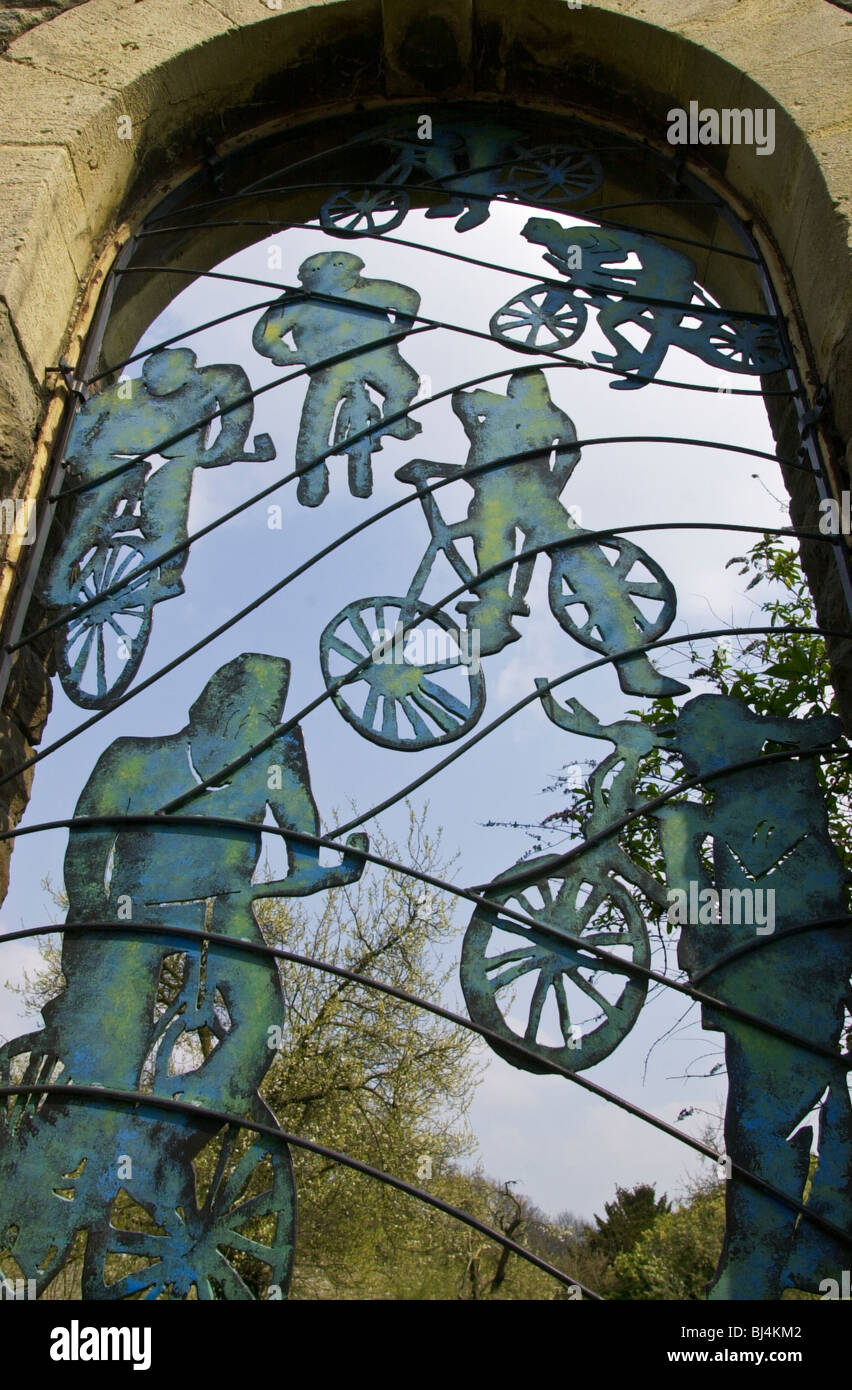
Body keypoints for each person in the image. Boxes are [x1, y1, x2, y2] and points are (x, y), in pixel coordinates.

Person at [37, 653, 368, 1116]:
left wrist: (328, 873)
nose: (255, 733)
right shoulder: (131, 758)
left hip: (225, 916)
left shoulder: (276, 752)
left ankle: (175, 1126)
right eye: (245, 717)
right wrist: (95, 940)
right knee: (116, 1043)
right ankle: (88, 1118)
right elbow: (85, 864)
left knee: (261, 1025)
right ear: (212, 707)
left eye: (267, 722)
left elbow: (304, 857)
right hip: (135, 916)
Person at [652, 693, 852, 1299]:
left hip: (787, 985)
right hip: (775, 986)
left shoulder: (774, 791)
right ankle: (791, 1262)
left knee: (761, 1128)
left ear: (721, 743)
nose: (685, 760)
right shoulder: (776, 787)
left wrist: (680, 841)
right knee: (760, 1128)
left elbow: (706, 911)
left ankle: (764, 1275)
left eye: (691, 745)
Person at [43, 347, 273, 608]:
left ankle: (168, 574)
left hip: (178, 457)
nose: (155, 390)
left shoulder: (215, 379)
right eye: (152, 385)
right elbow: (92, 412)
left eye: (166, 386)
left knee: (168, 513)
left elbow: (236, 405)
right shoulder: (130, 390)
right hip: (109, 455)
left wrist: (225, 448)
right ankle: (58, 578)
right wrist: (74, 454)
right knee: (95, 508)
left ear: (187, 374)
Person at [252, 251, 422, 506]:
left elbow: (408, 298)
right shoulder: (296, 301)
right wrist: (288, 354)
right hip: (330, 365)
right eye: (346, 274)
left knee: (405, 384)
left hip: (375, 354)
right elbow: (264, 336)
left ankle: (395, 418)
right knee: (316, 421)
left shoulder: (370, 288)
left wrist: (399, 328)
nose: (351, 279)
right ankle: (312, 473)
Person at [523, 217, 698, 388]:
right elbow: (582, 269)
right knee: (655, 324)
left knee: (628, 320)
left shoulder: (569, 239)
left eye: (534, 230)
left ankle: (635, 361)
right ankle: (634, 360)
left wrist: (556, 300)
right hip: (665, 268)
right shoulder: (564, 243)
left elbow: (608, 258)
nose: (529, 236)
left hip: (665, 270)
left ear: (549, 227)